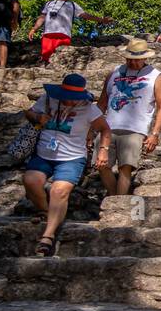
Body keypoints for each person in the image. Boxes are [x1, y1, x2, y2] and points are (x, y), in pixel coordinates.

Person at [22, 73, 111, 257]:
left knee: (59, 191)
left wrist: (103, 150)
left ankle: (48, 236)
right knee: (30, 181)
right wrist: (38, 118)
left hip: (72, 157)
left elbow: (105, 128)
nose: (70, 101)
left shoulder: (89, 109)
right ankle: (45, 211)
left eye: (74, 98)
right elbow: (28, 112)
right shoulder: (48, 99)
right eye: (67, 96)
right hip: (43, 154)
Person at [97, 39, 161, 197]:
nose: (132, 63)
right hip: (108, 127)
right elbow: (102, 102)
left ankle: (116, 204)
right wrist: (90, 128)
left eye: (136, 60)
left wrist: (154, 134)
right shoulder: (113, 73)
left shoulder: (155, 76)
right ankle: (116, 199)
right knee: (102, 165)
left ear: (144, 58)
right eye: (129, 59)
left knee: (126, 167)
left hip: (136, 128)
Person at [28, 0, 112, 64]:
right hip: (48, 34)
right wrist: (34, 29)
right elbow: (42, 17)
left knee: (61, 60)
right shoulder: (49, 3)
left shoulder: (73, 5)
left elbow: (85, 15)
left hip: (64, 35)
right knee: (46, 59)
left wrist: (101, 20)